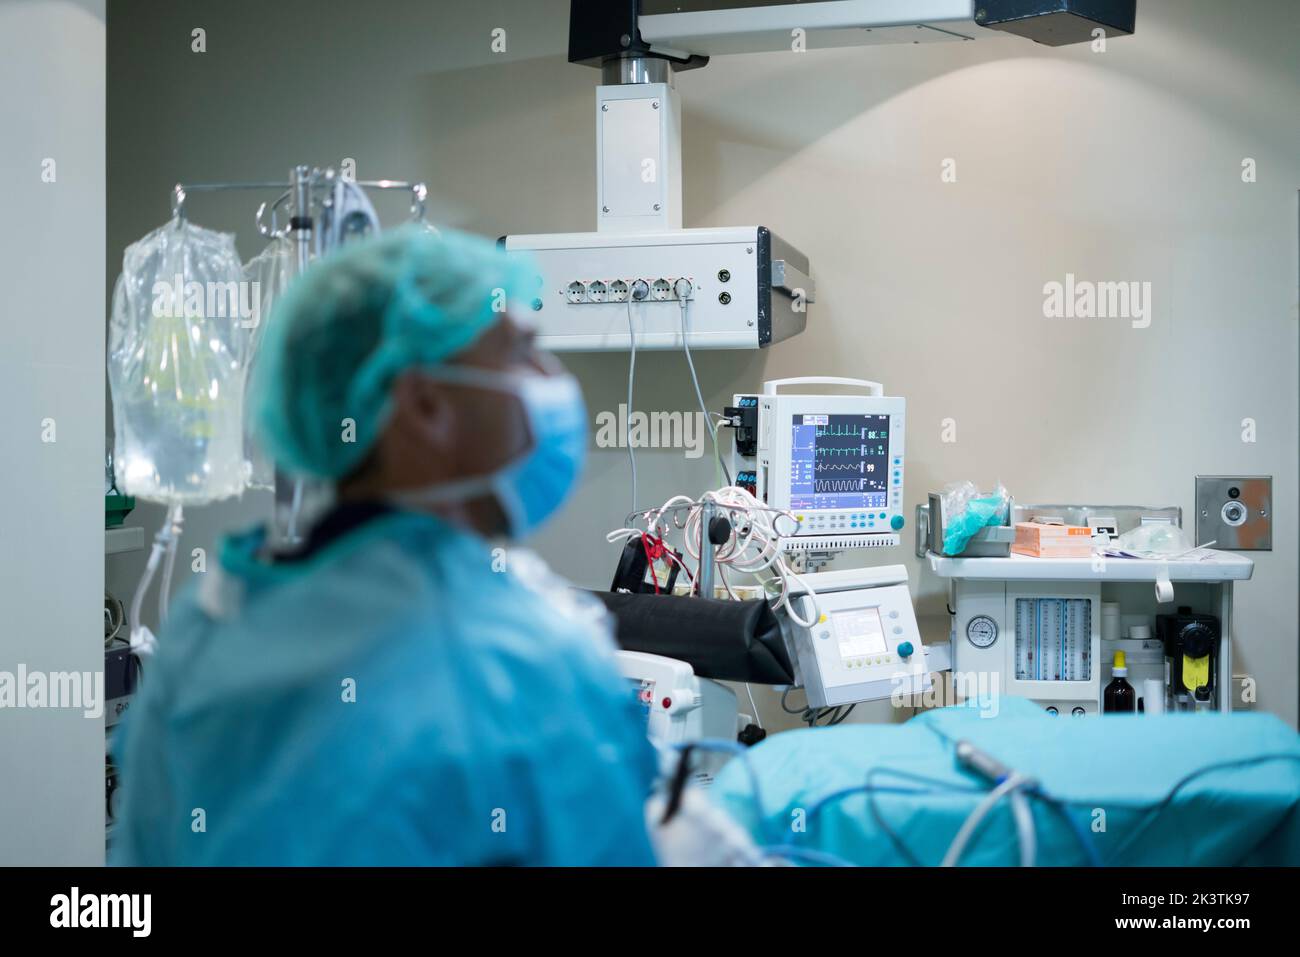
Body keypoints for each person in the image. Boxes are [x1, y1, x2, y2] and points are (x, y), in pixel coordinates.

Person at [110, 226, 659, 865]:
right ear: (425, 406)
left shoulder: (207, 627)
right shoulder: (520, 663)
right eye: (522, 352)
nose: (553, 382)